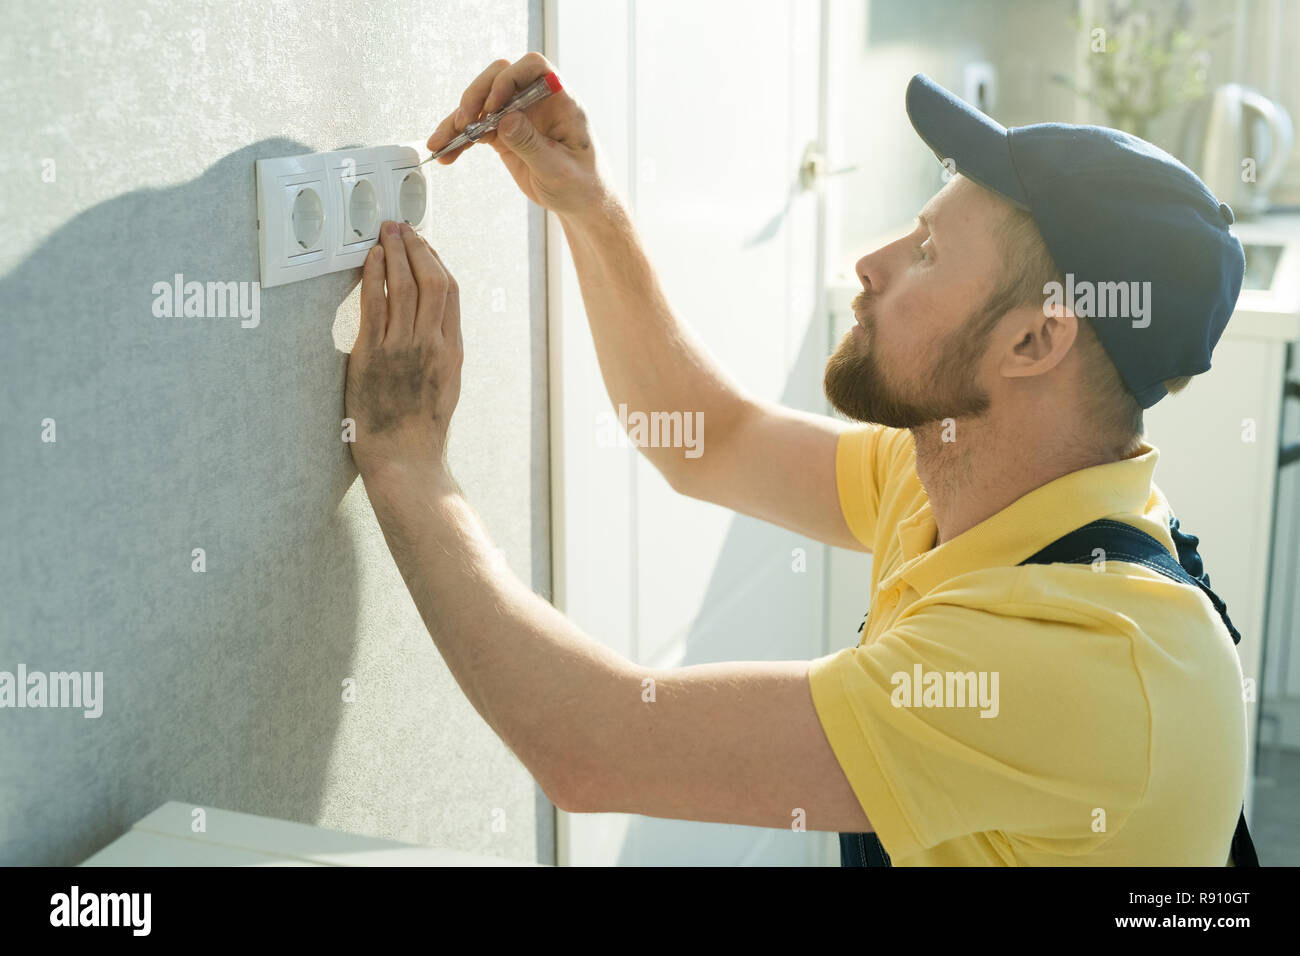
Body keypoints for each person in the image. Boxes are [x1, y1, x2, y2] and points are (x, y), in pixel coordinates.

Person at [343, 52, 1251, 865]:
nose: (871, 262)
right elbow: (708, 440)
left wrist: (406, 461)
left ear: (1033, 342)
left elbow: (596, 746)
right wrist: (591, 205)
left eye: (928, 251)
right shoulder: (963, 470)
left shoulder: (1084, 661)